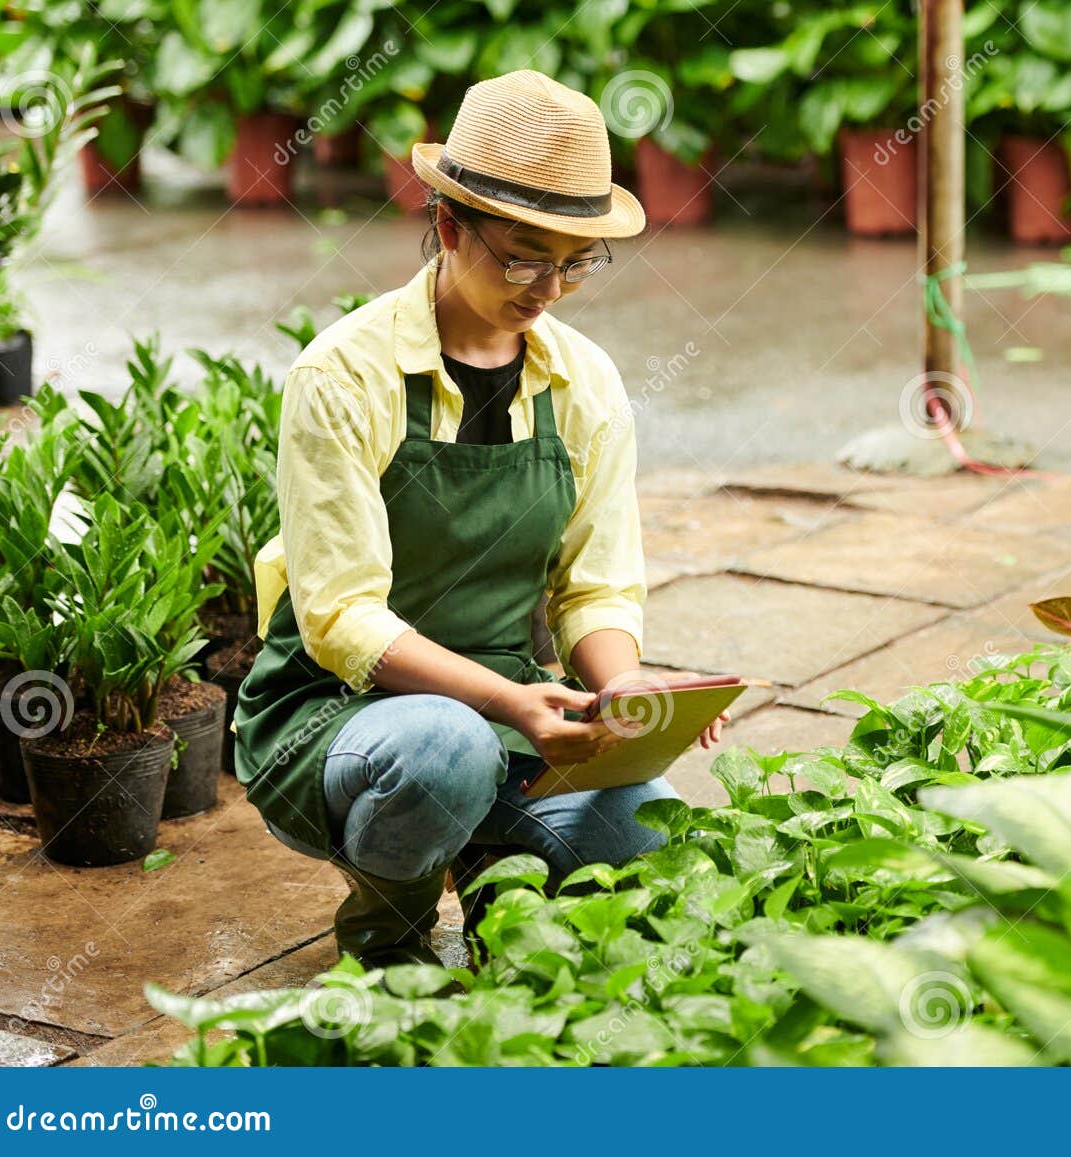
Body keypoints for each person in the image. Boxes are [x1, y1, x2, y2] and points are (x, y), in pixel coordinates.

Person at [233, 70, 726, 968]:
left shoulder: (587, 383)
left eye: (575, 261)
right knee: (444, 748)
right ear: (450, 226)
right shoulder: (343, 377)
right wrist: (511, 703)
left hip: (503, 712)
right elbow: (343, 620)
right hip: (337, 715)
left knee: (650, 827)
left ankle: (501, 885)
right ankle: (390, 934)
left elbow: (598, 584)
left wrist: (625, 693)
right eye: (524, 256)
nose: (549, 287)